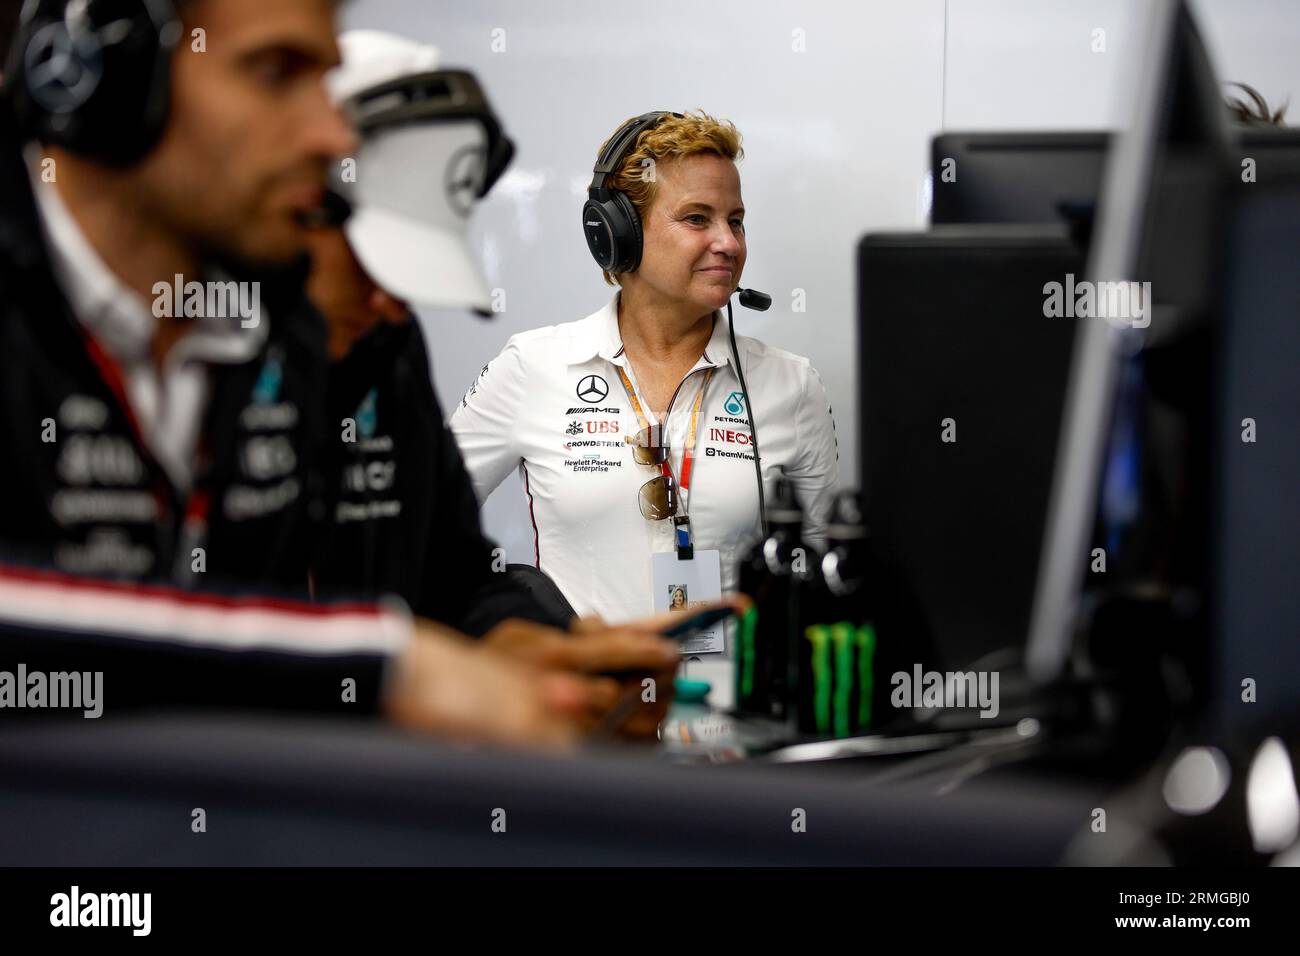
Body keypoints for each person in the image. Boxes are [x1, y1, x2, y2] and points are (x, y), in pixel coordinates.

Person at [0, 0, 637, 749]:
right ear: (101, 71)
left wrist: (517, 644)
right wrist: (388, 667)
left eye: (326, 80)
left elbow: (443, 575)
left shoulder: (274, 329)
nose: (330, 135)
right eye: (275, 71)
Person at [304, 30, 683, 736]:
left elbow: (455, 578)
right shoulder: (184, 364)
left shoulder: (384, 345)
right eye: (371, 267)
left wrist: (540, 645)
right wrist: (409, 673)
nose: (392, 304)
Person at [450, 110, 839, 636]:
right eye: (697, 218)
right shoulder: (532, 366)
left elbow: (827, 574)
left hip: (737, 712)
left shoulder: (791, 385)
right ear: (618, 233)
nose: (728, 242)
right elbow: (425, 523)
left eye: (736, 220)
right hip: (587, 707)